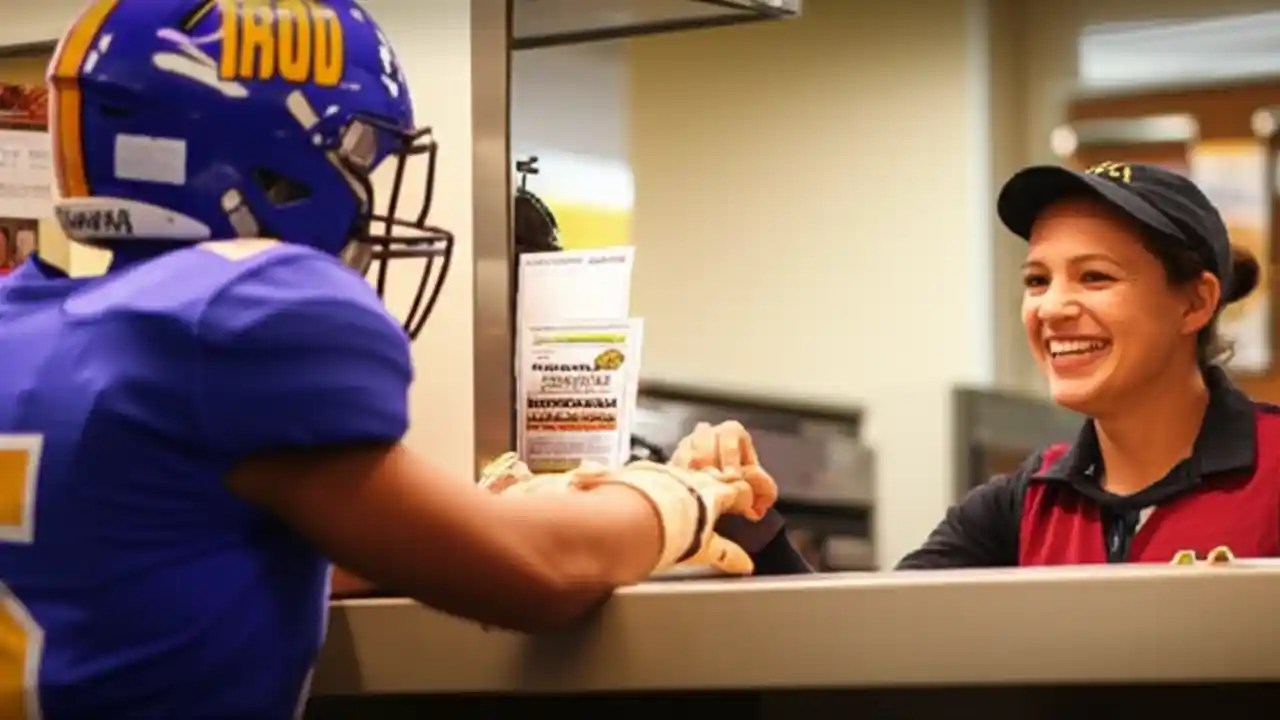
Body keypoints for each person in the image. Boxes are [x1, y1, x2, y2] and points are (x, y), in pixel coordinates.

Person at [0, 2, 773, 718]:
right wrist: (675, 494)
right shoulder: (237, 312)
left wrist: (541, 506)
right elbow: (539, 576)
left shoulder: (24, 325)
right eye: (357, 157)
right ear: (269, 166)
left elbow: (231, 550)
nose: (367, 193)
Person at [678, 159, 1272, 569]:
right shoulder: (1021, 503)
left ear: (1195, 301)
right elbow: (867, 649)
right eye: (1037, 280)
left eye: (1095, 277)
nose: (1053, 308)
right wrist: (746, 519)